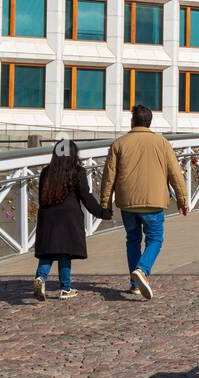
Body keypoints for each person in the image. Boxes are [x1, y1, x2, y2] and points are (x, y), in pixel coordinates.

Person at [100, 106, 189, 301]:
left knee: (132, 240)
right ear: (149, 122)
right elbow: (176, 174)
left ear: (132, 121)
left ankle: (135, 284)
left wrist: (105, 203)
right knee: (155, 239)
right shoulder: (162, 143)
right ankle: (142, 269)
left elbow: (109, 177)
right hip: (154, 201)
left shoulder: (119, 144)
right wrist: (182, 200)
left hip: (127, 202)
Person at [33, 140, 112, 301]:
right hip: (68, 217)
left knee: (48, 252)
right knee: (64, 253)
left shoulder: (46, 172)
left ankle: (41, 278)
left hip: (48, 216)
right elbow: (86, 196)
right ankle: (65, 288)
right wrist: (102, 212)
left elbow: (41, 195)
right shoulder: (77, 171)